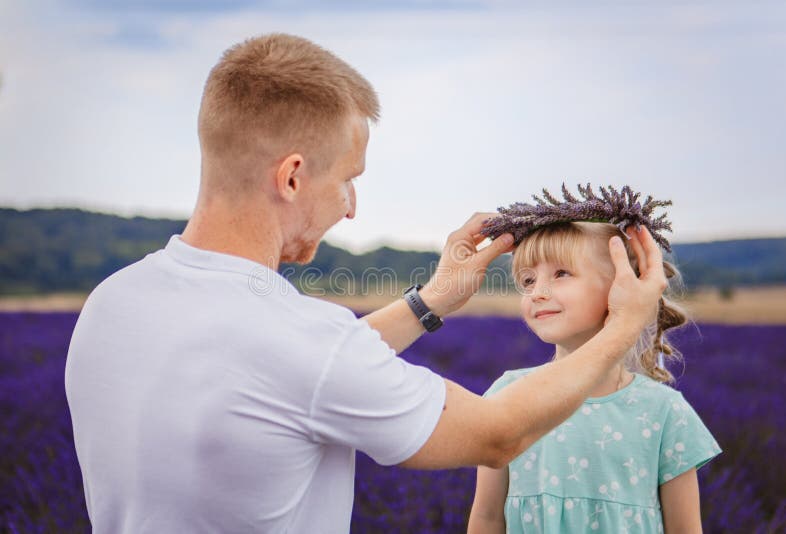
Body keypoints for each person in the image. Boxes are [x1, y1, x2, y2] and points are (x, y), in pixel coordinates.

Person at [65, 34, 667, 533]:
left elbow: (296, 373)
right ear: (293, 177)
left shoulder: (112, 302)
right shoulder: (304, 342)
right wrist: (624, 326)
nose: (350, 207)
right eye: (349, 178)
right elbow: (499, 434)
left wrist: (430, 302)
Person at [468, 219, 722, 534]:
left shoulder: (664, 412)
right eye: (528, 280)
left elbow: (685, 529)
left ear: (623, 285)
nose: (537, 293)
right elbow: (488, 518)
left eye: (561, 273)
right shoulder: (507, 395)